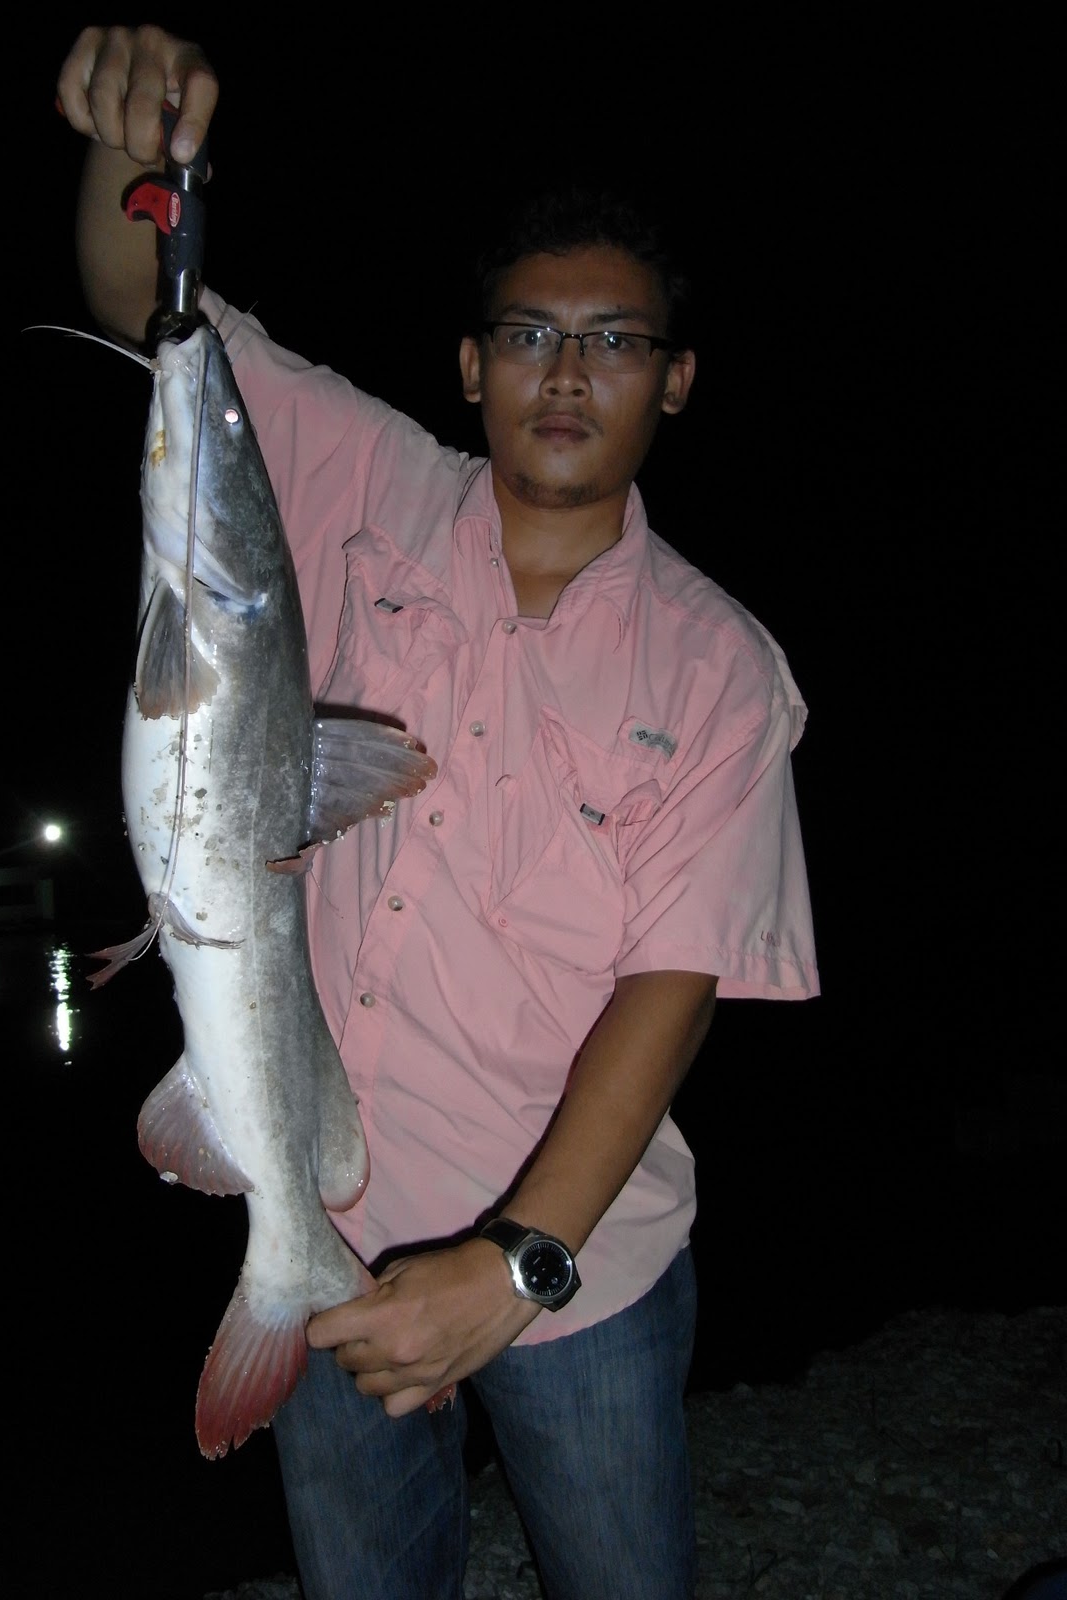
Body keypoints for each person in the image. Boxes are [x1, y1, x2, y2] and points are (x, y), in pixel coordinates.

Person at [57, 25, 820, 1600]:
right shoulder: (357, 486)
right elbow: (154, 313)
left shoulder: (722, 668)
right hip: (327, 1208)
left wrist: (514, 1267)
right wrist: (136, 154)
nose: (566, 371)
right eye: (530, 335)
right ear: (470, 367)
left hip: (582, 1276)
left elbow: (672, 990)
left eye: (614, 341)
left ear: (675, 381)